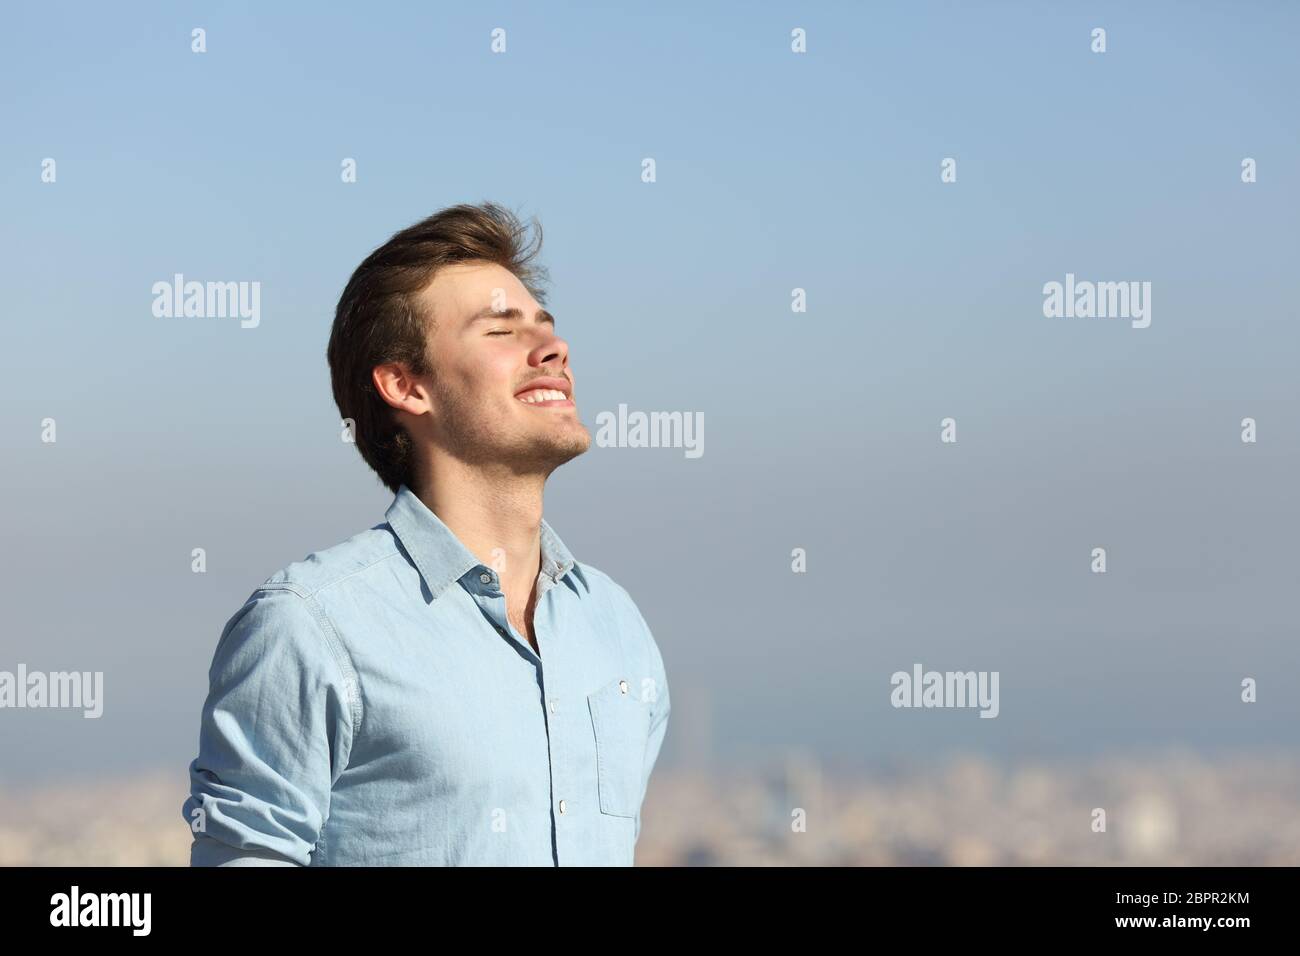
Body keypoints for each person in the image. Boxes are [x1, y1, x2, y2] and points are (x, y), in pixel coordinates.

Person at [181, 202, 670, 865]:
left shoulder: (615, 627)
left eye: (545, 326)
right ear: (407, 386)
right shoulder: (314, 627)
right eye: (501, 332)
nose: (553, 348)